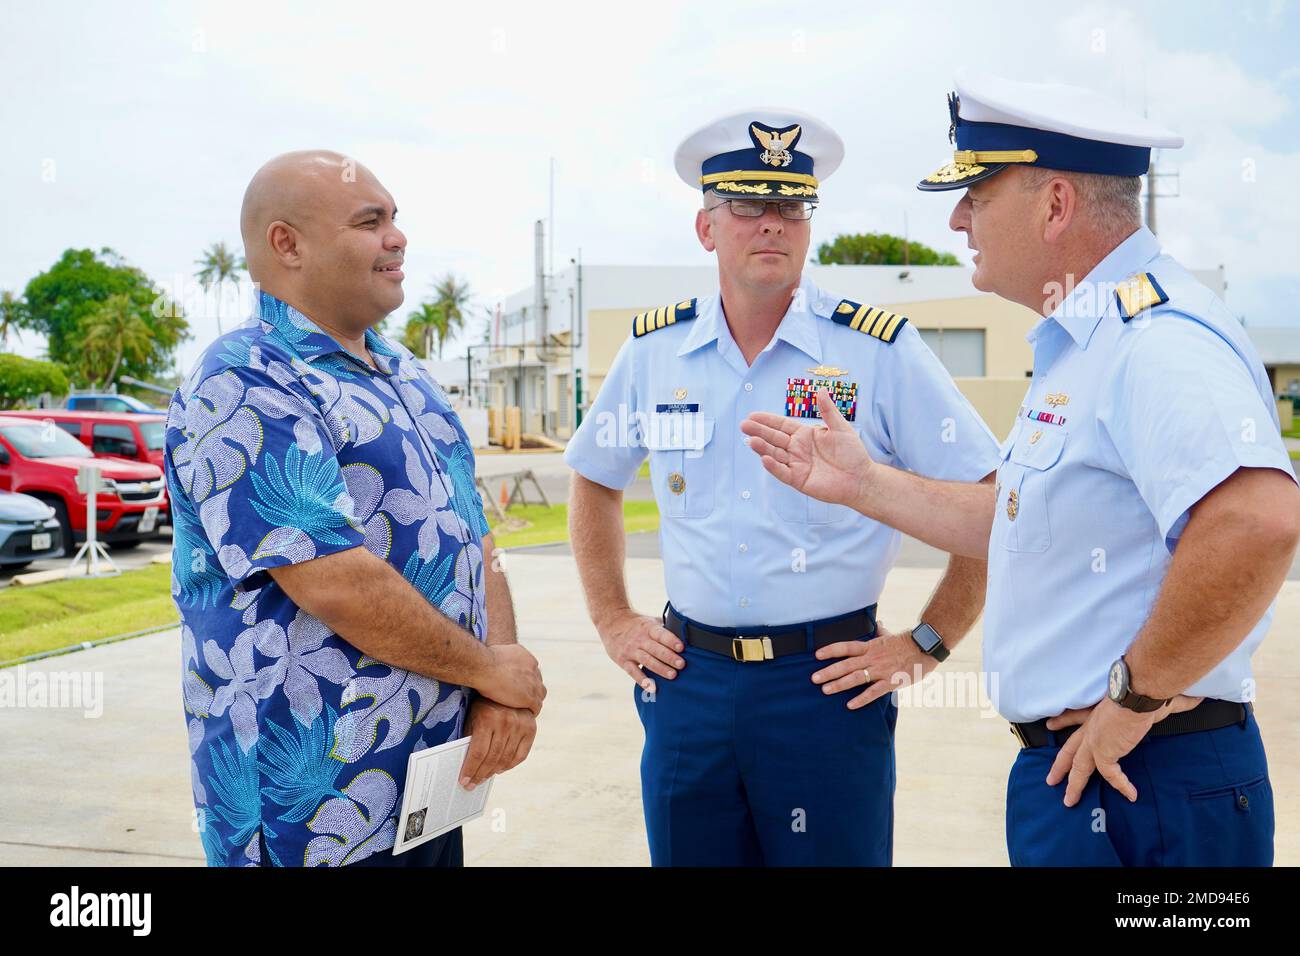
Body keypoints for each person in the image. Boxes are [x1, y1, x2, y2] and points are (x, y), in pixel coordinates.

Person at [742, 74, 1300, 865]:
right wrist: (865, 483)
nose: (957, 217)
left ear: (1056, 205)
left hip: (1147, 779)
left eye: (979, 194)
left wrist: (1134, 696)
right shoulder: (1089, 339)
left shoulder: (1154, 339)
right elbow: (1019, 520)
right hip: (1098, 773)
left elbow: (1259, 521)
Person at [564, 110, 1000, 865]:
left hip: (827, 689)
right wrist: (611, 618)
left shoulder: (877, 349)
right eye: (748, 205)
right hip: (687, 685)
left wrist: (927, 642)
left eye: (791, 207)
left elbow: (992, 498)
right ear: (707, 229)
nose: (773, 224)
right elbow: (594, 480)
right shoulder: (654, 351)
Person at [164, 150, 545, 867]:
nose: (397, 237)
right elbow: (333, 578)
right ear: (288, 244)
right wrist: (490, 672)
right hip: (310, 814)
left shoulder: (406, 374)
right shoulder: (245, 375)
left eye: (396, 219)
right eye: (371, 222)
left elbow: (476, 539)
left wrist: (499, 681)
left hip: (428, 784)